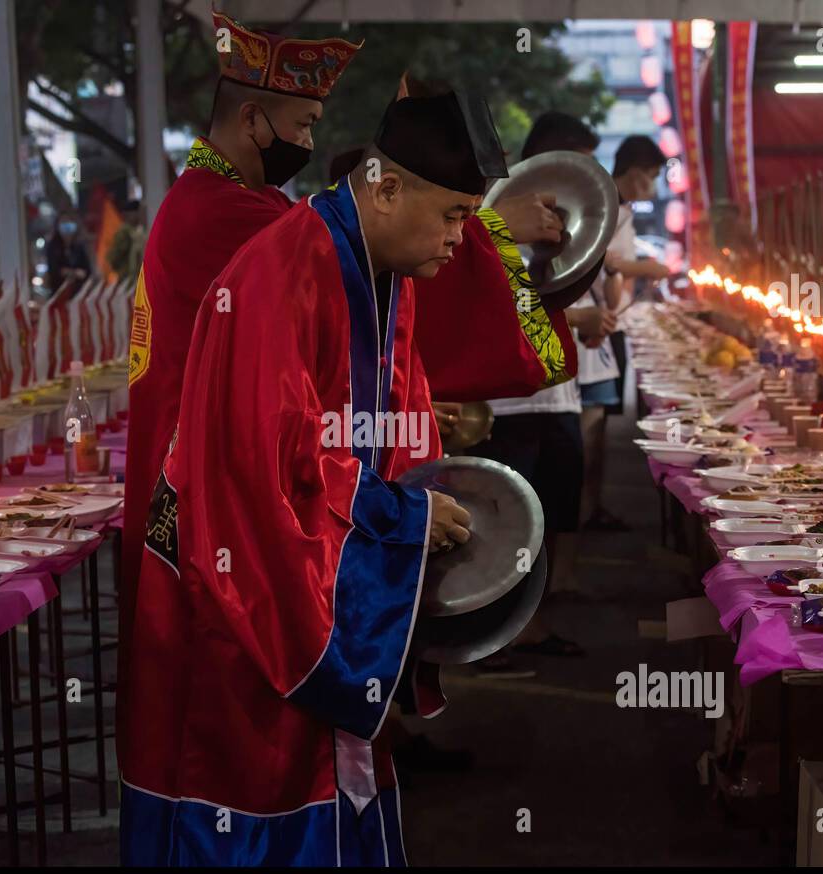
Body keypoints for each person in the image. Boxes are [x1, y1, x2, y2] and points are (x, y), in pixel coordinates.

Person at [120, 89, 514, 867]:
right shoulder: (279, 270)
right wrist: (400, 518)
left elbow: (394, 430)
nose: (459, 240)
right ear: (388, 187)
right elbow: (258, 465)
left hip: (322, 578)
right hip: (245, 594)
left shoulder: (380, 268)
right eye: (454, 216)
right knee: (254, 800)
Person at [119, 12, 571, 672]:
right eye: (302, 126)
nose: (311, 141)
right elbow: (272, 430)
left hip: (218, 474)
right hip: (213, 503)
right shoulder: (250, 228)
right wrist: (397, 512)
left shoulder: (255, 213)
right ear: (251, 120)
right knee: (228, 702)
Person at [467, 112, 614, 676]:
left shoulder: (560, 224)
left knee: (551, 515)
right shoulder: (491, 219)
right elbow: (503, 310)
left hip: (556, 397)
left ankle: (528, 624)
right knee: (509, 526)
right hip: (507, 406)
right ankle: (496, 635)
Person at [581, 135, 670, 532]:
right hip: (593, 324)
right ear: (634, 172)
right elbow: (605, 262)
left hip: (607, 318)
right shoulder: (605, 206)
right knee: (590, 432)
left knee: (599, 430)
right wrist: (647, 270)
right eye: (651, 176)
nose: (652, 184)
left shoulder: (622, 208)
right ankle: (581, 514)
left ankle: (590, 507)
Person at [45, 211, 92, 294]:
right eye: (63, 223)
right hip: (58, 292)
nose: (67, 227)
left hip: (78, 292)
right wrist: (74, 273)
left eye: (69, 223)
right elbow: (54, 270)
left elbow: (87, 270)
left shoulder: (78, 247)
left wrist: (69, 272)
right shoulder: (53, 247)